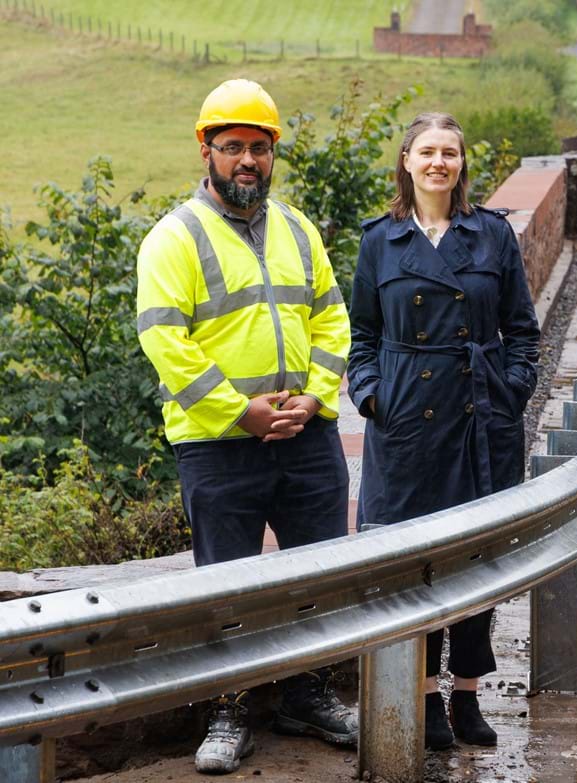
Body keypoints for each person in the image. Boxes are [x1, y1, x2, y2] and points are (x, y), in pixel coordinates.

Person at [135, 78, 358, 775]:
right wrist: (240, 410)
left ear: (273, 155)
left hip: (307, 435)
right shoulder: (174, 237)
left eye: (258, 148)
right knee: (225, 583)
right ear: (205, 151)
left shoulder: (298, 229)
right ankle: (227, 708)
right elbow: (166, 342)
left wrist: (316, 398)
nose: (246, 161)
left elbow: (331, 317)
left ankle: (305, 692)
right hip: (217, 443)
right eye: (231, 147)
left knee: (317, 572)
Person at [348, 112, 540, 751]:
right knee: (415, 561)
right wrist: (372, 397)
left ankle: (468, 694)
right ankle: (426, 697)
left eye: (449, 153)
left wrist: (510, 395)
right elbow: (363, 337)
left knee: (476, 557)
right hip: (404, 421)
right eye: (426, 151)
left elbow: (522, 330)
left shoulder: (490, 235)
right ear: (406, 161)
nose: (438, 163)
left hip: (479, 416)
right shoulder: (380, 240)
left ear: (461, 164)